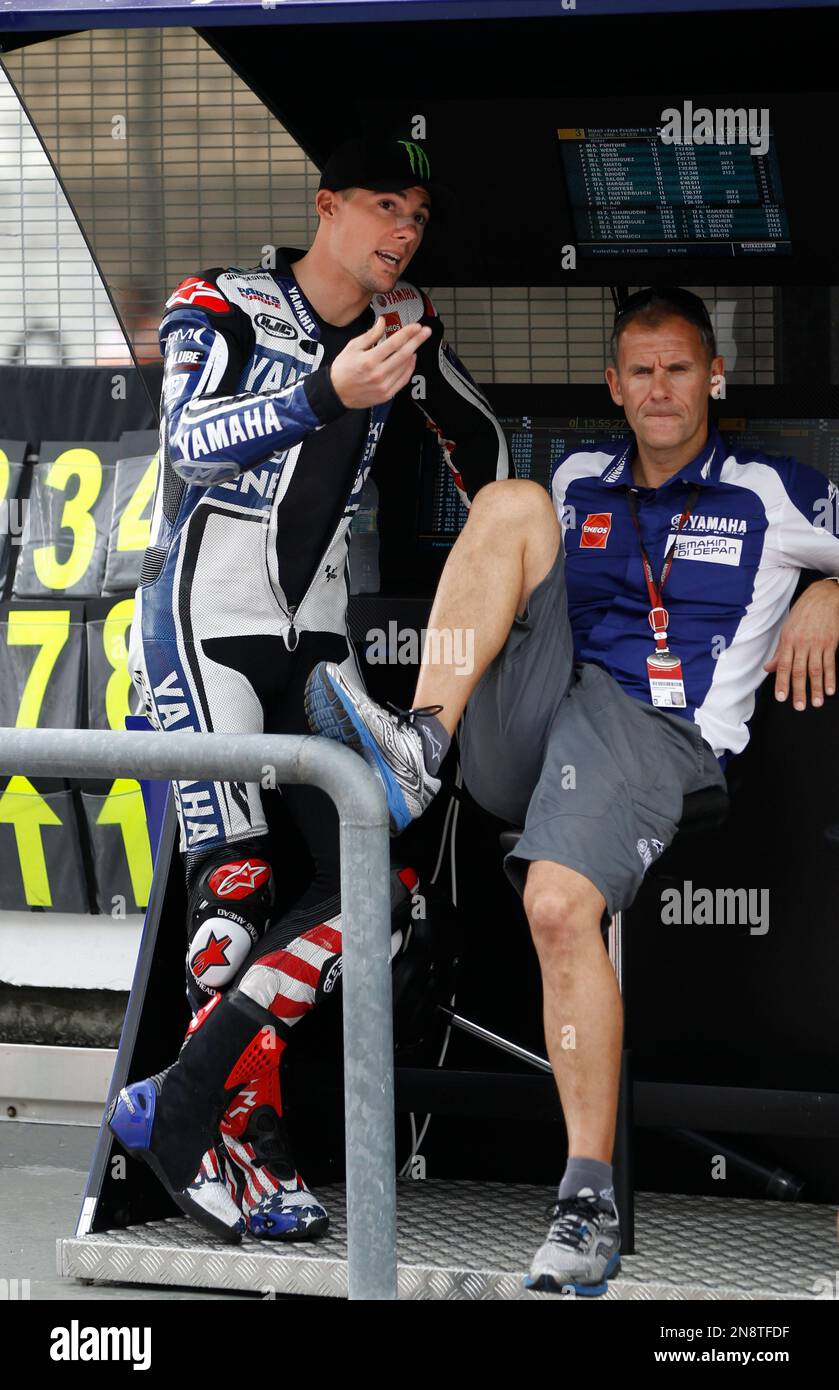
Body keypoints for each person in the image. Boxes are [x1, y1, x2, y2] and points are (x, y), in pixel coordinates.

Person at [304, 286, 839, 1294]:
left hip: (652, 730)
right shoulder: (584, 474)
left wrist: (828, 589)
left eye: (677, 367)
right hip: (534, 713)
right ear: (611, 384)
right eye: (637, 371)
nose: (659, 390)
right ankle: (420, 742)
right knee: (509, 502)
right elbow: (513, 560)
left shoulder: (772, 490)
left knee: (554, 903)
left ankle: (584, 1197)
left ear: (712, 377)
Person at [112, 133, 509, 1242]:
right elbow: (188, 441)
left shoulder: (402, 324)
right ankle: (241, 1144)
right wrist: (323, 392)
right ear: (327, 205)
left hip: (317, 633)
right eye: (386, 206)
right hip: (202, 627)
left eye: (417, 217)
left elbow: (480, 451)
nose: (401, 233)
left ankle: (183, 1100)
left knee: (375, 873)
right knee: (231, 887)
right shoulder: (223, 303)